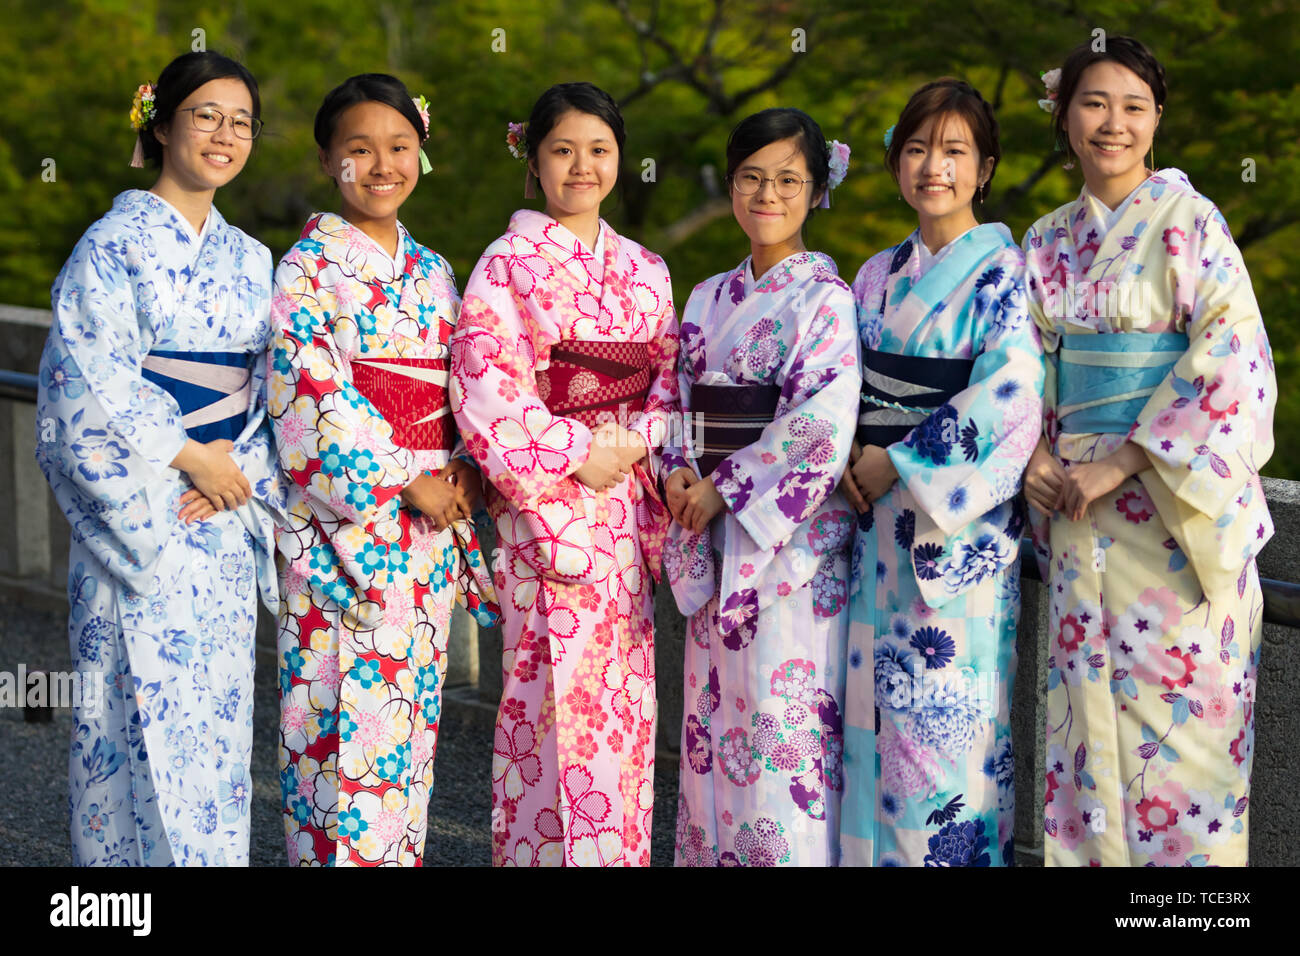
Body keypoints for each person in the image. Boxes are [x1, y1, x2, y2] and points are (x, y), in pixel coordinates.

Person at [1022, 37, 1276, 866]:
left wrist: (1124, 460)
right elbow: (1016, 370)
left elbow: (1234, 357)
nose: (1113, 124)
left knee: (1188, 752)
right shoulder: (1044, 240)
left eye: (1134, 107)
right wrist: (1029, 452)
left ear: (1157, 119)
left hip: (1171, 523)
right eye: (1094, 103)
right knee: (1083, 745)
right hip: (1074, 512)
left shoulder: (1194, 222)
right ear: (1065, 117)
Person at [36, 51, 284, 866]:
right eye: (206, 115)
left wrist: (232, 470)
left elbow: (268, 390)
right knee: (127, 723)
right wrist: (188, 457)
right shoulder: (111, 246)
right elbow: (84, 385)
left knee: (214, 736)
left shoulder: (252, 258)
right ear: (163, 124)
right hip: (142, 518)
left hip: (219, 520)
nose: (225, 134)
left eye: (241, 121)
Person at [267, 73, 498, 866]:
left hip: (428, 530)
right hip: (344, 537)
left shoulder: (434, 269)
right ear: (328, 158)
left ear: (421, 153)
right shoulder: (305, 267)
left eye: (399, 147)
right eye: (357, 149)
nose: (381, 165)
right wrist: (403, 477)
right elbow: (309, 395)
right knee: (334, 735)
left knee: (405, 743)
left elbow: (467, 383)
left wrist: (468, 463)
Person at [450, 82, 678, 867]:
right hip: (546, 514)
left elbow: (669, 384)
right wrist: (581, 453)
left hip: (622, 515)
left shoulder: (648, 270)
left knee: (623, 721)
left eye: (600, 150)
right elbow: (487, 387)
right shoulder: (506, 264)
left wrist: (634, 443)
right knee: (545, 717)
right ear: (533, 160)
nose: (582, 166)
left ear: (620, 158)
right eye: (562, 149)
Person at [838, 79, 1044, 867]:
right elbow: (838, 387)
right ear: (896, 163)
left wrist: (901, 457)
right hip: (868, 526)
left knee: (942, 744)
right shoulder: (872, 276)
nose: (935, 168)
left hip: (947, 544)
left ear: (984, 167)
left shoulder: (1004, 275)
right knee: (870, 740)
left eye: (955, 151)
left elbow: (1014, 396)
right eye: (918, 150)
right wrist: (850, 454)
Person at [664, 109, 859, 867]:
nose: (766, 193)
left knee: (782, 737)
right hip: (712, 535)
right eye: (751, 177)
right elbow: (672, 396)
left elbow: (822, 422)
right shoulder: (706, 296)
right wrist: (678, 470)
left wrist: (725, 490)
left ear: (816, 191)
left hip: (785, 556)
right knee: (714, 735)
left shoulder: (826, 299)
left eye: (787, 179)